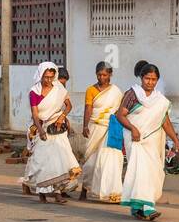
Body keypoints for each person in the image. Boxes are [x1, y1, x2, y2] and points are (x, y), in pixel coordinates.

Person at [119, 63, 179, 219]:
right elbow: (120, 115)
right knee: (142, 172)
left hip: (152, 142)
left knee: (154, 171)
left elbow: (165, 122)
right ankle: (148, 207)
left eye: (153, 79)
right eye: (147, 78)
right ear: (141, 78)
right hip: (135, 139)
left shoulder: (160, 100)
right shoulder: (132, 94)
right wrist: (133, 129)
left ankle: (137, 207)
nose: (150, 82)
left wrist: (176, 141)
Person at [22, 61, 80, 203]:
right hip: (40, 129)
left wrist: (62, 116)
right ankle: (42, 192)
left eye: (50, 77)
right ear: (41, 75)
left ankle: (58, 193)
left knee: (59, 161)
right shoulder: (34, 92)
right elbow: (35, 115)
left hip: (57, 129)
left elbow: (68, 106)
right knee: (43, 162)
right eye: (45, 77)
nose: (48, 80)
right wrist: (41, 131)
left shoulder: (59, 89)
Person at [79, 62, 125, 203]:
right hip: (95, 127)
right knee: (90, 162)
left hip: (110, 129)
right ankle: (85, 188)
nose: (101, 77)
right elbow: (88, 109)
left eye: (104, 75)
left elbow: (120, 110)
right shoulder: (90, 90)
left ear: (110, 75)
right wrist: (85, 126)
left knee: (110, 161)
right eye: (99, 74)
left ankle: (113, 193)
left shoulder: (116, 91)